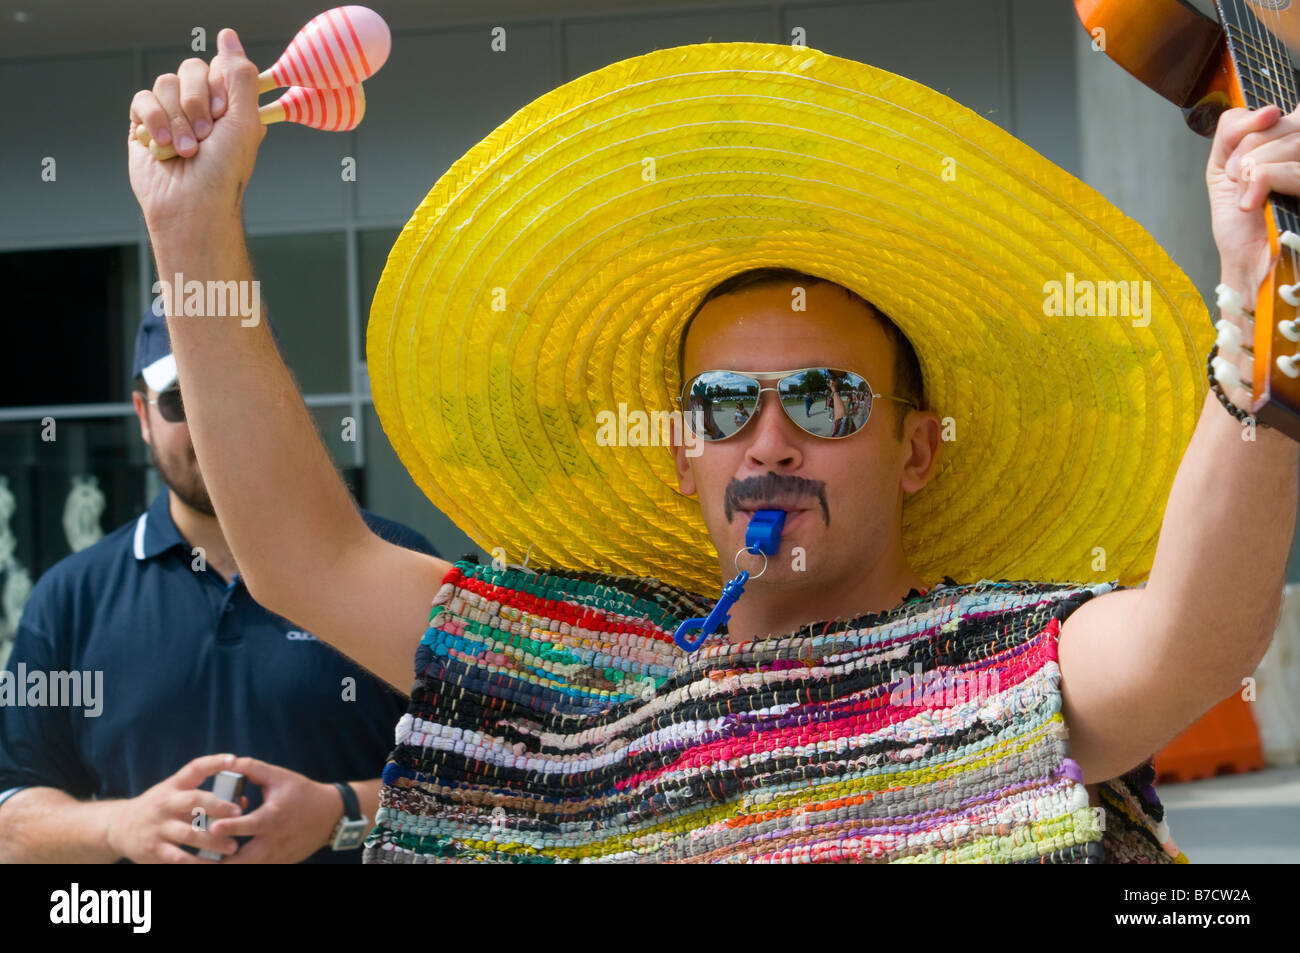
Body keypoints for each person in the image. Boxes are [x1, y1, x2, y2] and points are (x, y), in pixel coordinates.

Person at [122, 33, 1298, 863]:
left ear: (916, 449)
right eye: (725, 402)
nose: (770, 440)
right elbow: (299, 555)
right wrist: (190, 229)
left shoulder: (993, 664)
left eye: (828, 400)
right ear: (682, 452)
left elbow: (1192, 637)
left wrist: (1260, 326)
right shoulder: (562, 663)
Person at [0, 309, 442, 864]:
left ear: (280, 401)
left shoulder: (394, 565)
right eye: (180, 400)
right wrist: (120, 824)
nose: (210, 420)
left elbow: (501, 782)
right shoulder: (71, 599)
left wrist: (341, 813)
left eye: (233, 393)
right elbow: (10, 814)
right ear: (142, 415)